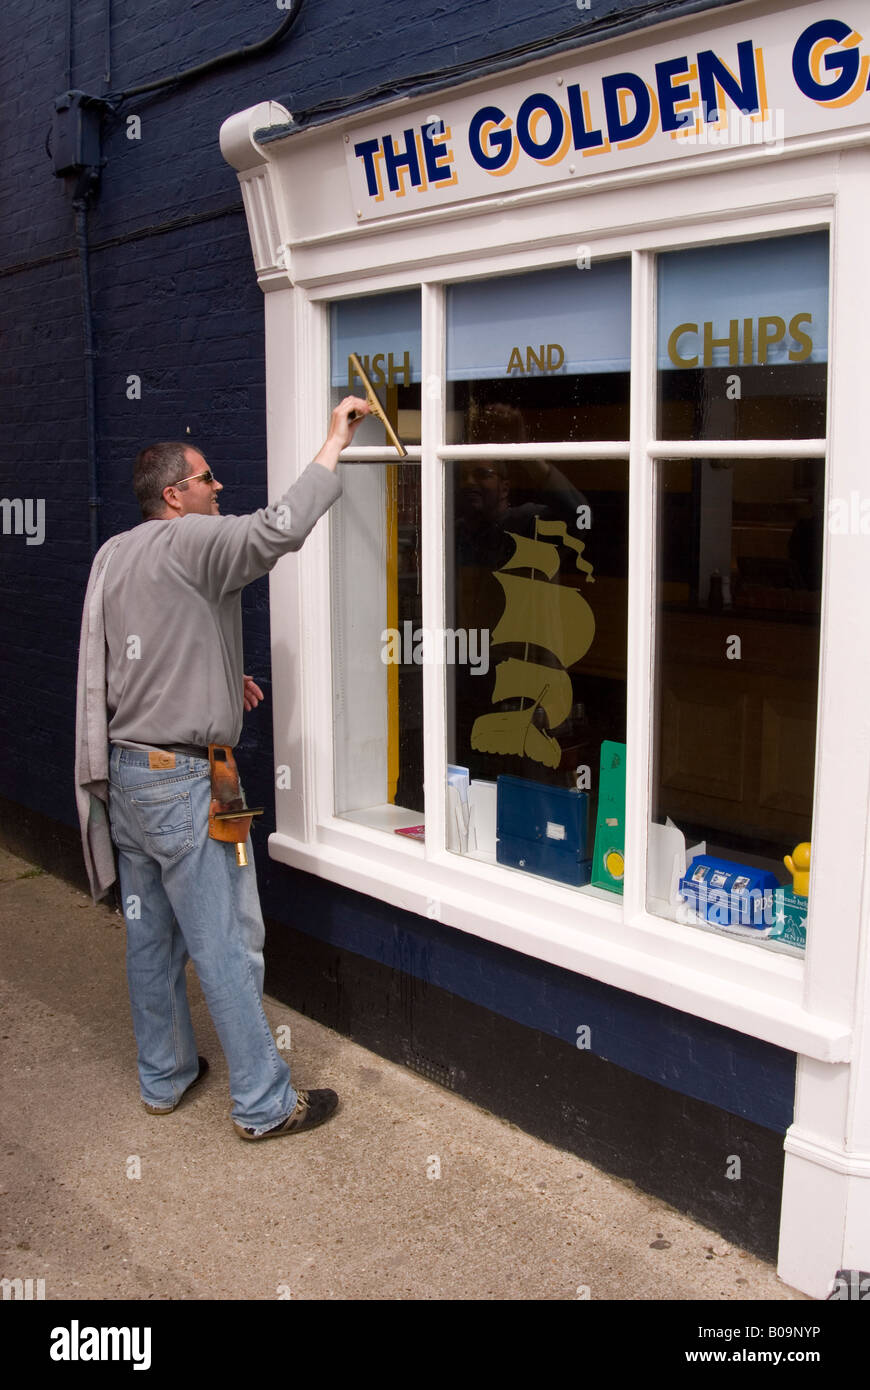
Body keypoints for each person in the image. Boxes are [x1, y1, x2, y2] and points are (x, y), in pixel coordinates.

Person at [74, 397, 369, 1140]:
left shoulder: (116, 555)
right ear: (175, 495)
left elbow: (135, 657)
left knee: (151, 938)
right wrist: (334, 442)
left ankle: (164, 1078)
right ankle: (265, 1106)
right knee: (226, 944)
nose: (217, 488)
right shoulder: (192, 540)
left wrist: (216, 676)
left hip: (130, 777)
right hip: (185, 786)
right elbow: (278, 531)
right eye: (207, 480)